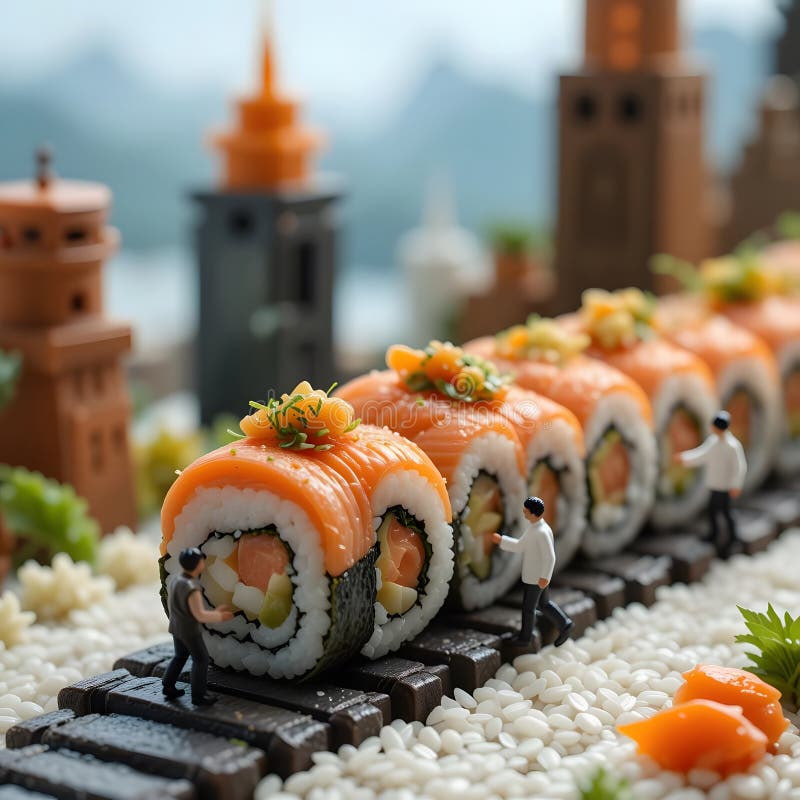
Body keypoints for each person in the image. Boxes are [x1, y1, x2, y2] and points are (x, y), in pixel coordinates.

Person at [491, 496, 573, 647]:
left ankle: (525, 638)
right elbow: (520, 546)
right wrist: (501, 540)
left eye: (526, 511)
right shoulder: (534, 528)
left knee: (528, 609)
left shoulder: (541, 532)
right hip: (536, 576)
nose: (523, 513)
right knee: (544, 604)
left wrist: (544, 577)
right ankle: (565, 624)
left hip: (537, 578)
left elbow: (550, 557)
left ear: (534, 513)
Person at [161, 546, 233, 705]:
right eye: (201, 560)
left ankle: (167, 685)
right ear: (198, 564)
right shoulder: (191, 587)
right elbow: (199, 614)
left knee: (180, 656)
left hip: (176, 626)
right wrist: (219, 616)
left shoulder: (176, 580)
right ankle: (198, 696)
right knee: (201, 659)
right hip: (189, 630)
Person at [675, 410, 747, 558]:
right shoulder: (713, 442)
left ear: (720, 427)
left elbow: (740, 467)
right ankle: (713, 534)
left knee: (726, 513)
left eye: (714, 427)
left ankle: (733, 537)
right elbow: (702, 455)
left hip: (726, 487)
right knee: (713, 512)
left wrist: (736, 485)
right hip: (714, 484)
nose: (712, 429)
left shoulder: (733, 446)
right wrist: (685, 458)